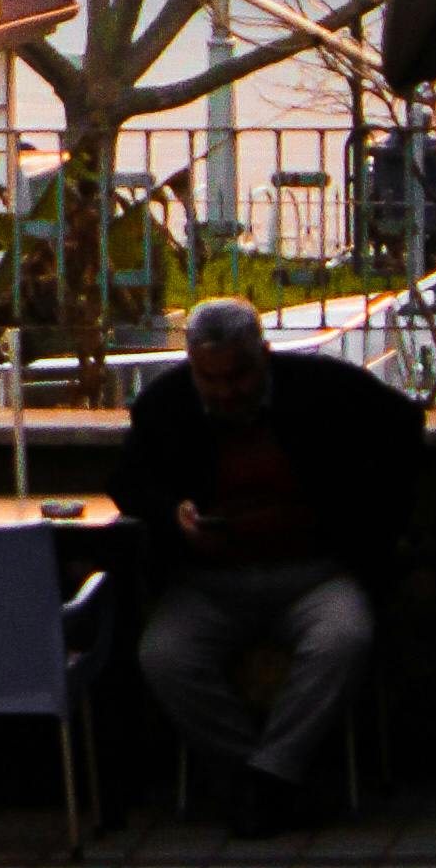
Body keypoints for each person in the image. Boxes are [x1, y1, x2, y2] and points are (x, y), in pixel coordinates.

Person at [117, 291, 417, 835]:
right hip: (209, 580)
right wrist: (173, 515)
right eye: (212, 380)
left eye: (241, 376)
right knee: (164, 655)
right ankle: (260, 776)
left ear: (266, 356)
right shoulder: (163, 405)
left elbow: (403, 429)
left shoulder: (324, 388)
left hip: (312, 574)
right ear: (193, 370)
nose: (228, 391)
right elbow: (129, 483)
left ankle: (269, 779)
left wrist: (355, 519)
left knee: (344, 638)